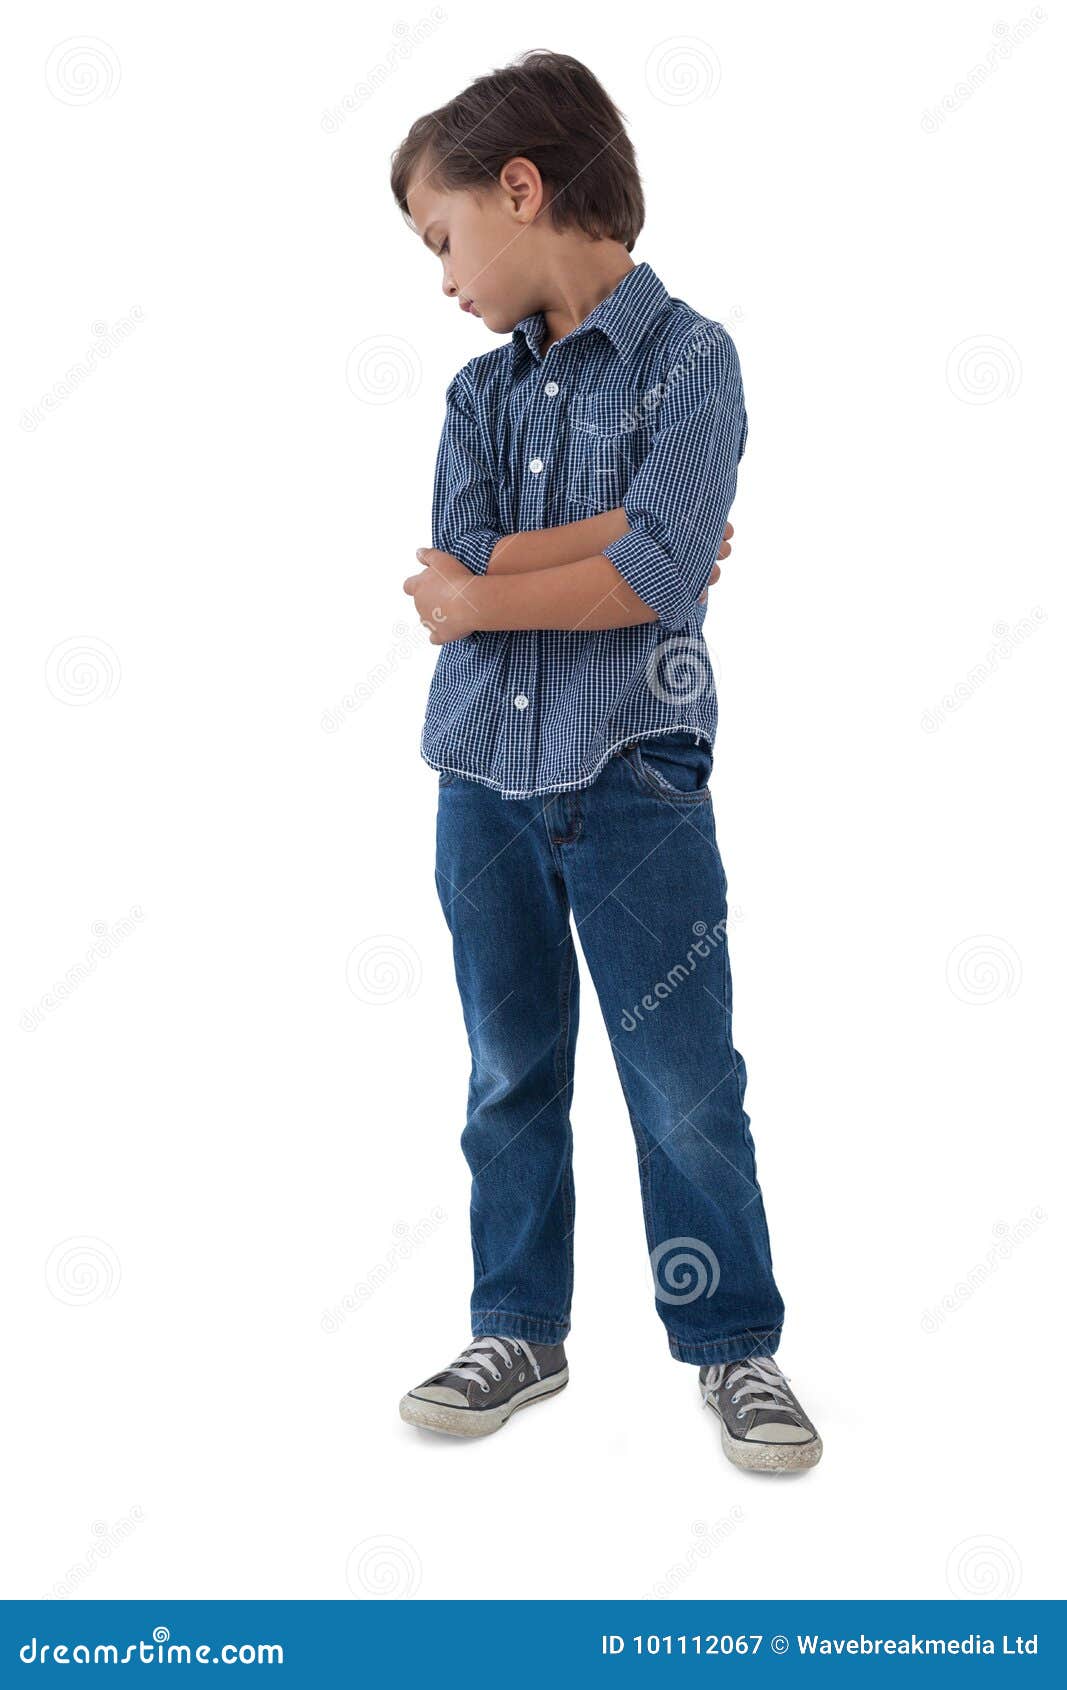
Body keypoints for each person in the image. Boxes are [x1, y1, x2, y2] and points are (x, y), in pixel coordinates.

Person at [391, 50, 821, 1472]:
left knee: (683, 1077)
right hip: (483, 782)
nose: (442, 279)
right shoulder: (478, 396)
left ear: (520, 187)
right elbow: (464, 567)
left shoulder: (694, 359)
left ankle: (734, 1340)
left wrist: (542, 580)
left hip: (637, 777)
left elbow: (651, 578)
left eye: (442, 237)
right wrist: (628, 541)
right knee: (509, 1068)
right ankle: (518, 1322)